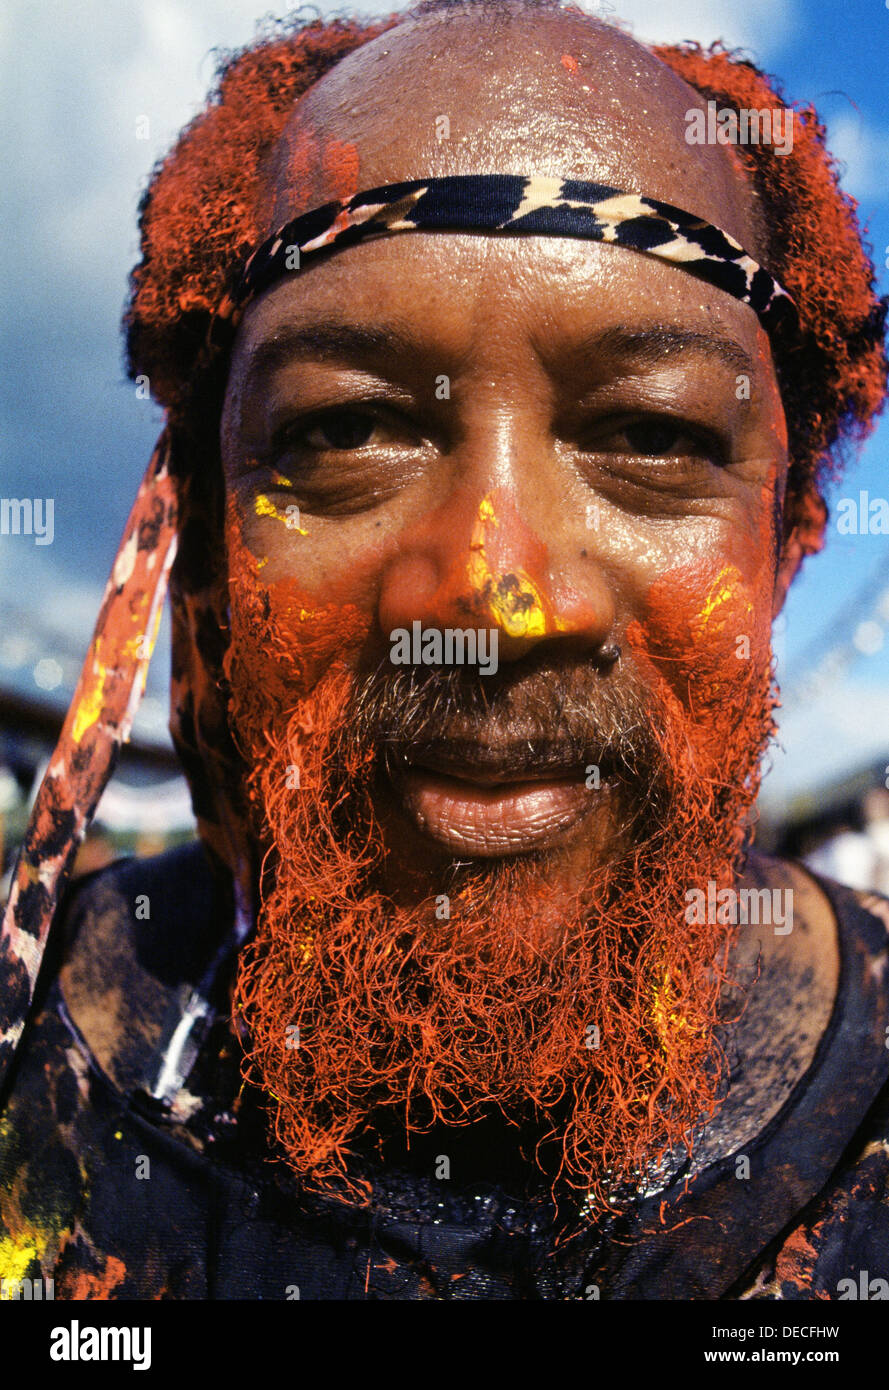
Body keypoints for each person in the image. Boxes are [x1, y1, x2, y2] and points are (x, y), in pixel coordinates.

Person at [1, 0, 888, 1301]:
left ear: (787, 531)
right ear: (206, 535)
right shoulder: (39, 1065)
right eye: (347, 427)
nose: (491, 594)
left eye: (647, 435)